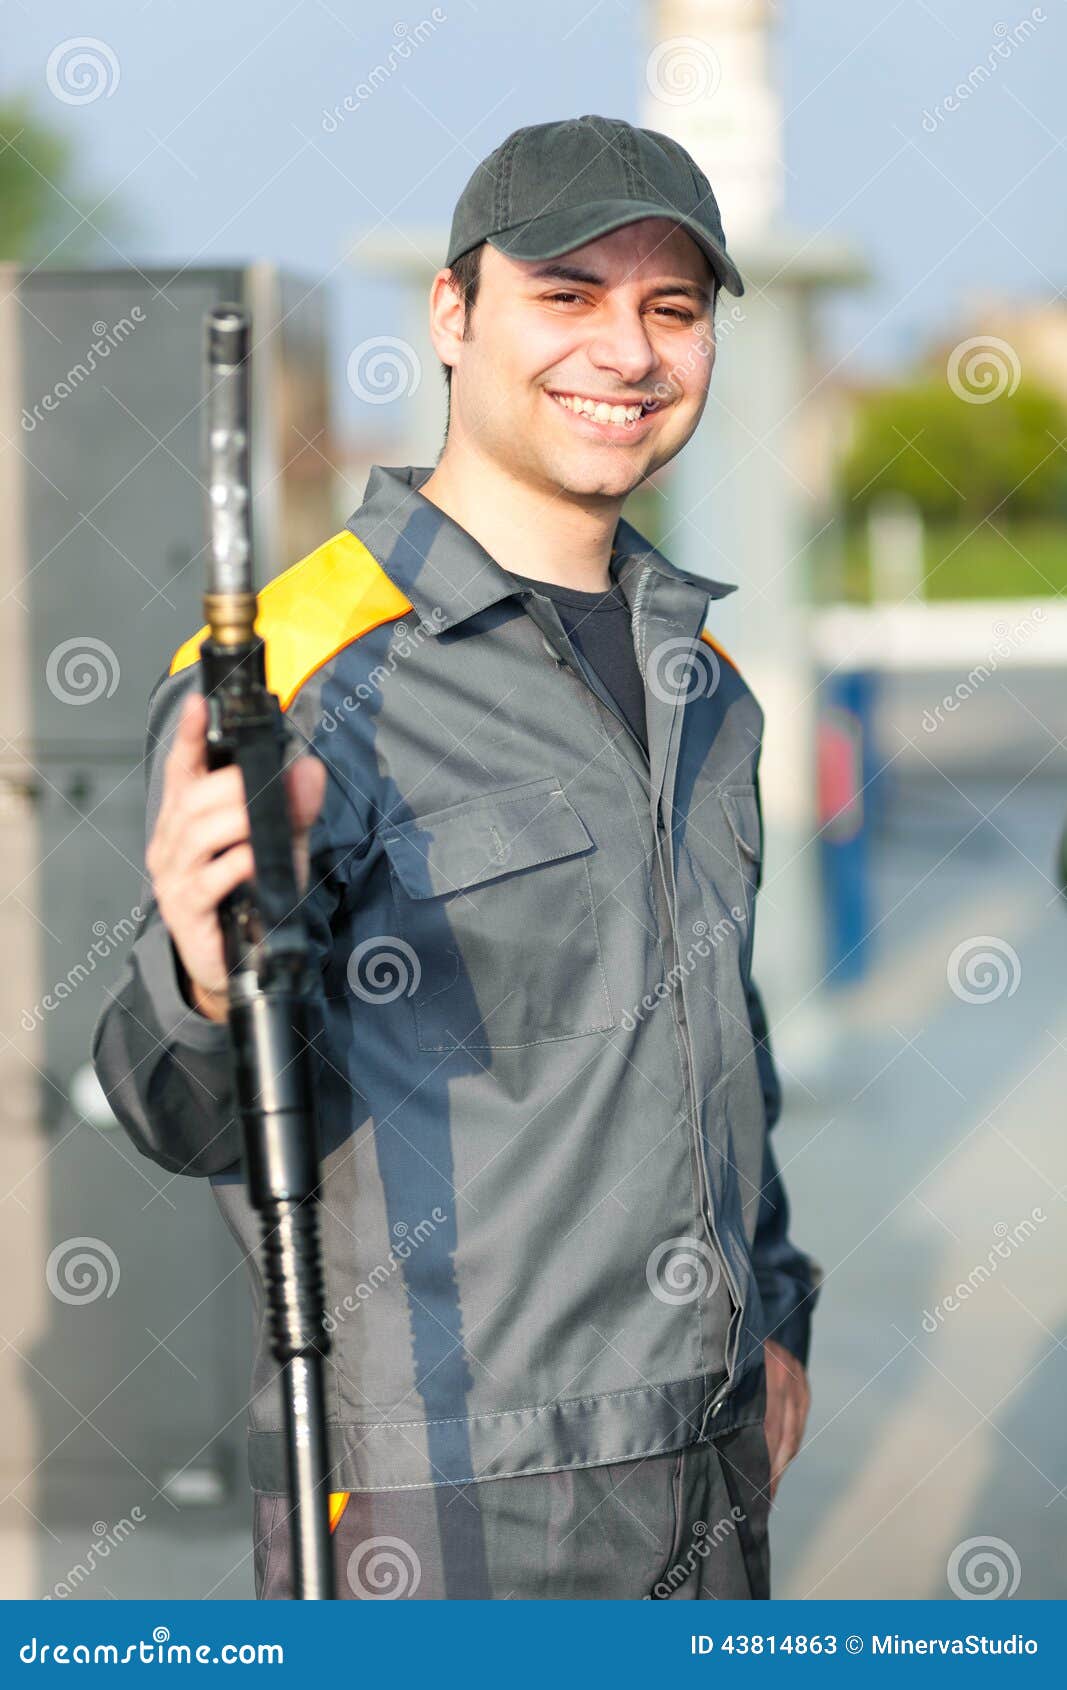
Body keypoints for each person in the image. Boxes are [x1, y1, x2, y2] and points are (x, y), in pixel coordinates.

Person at [92, 113, 819, 1601]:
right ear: (451, 314)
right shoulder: (306, 675)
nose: (627, 349)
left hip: (713, 1462)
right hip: (448, 1500)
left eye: (670, 308)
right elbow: (175, 1108)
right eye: (567, 293)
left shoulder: (706, 681)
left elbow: (717, 1036)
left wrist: (777, 1309)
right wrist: (195, 972)